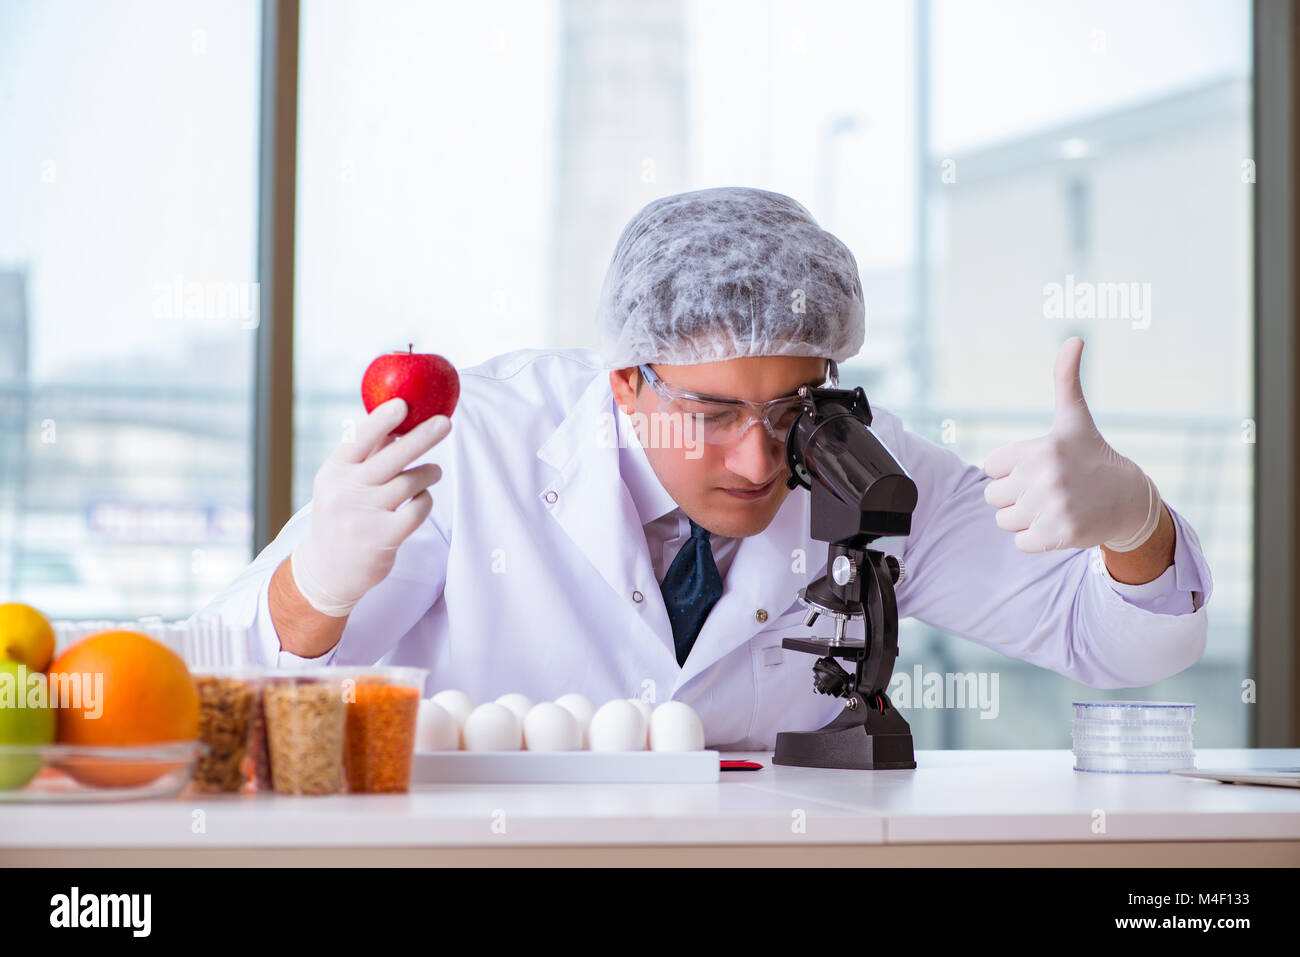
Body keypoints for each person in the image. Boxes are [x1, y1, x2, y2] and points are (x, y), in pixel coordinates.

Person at [195, 186, 1212, 750]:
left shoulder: (873, 464)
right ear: (625, 381)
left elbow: (1125, 649)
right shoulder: (484, 442)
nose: (759, 457)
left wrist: (1134, 526)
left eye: (795, 407)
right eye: (713, 412)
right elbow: (231, 698)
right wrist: (314, 588)